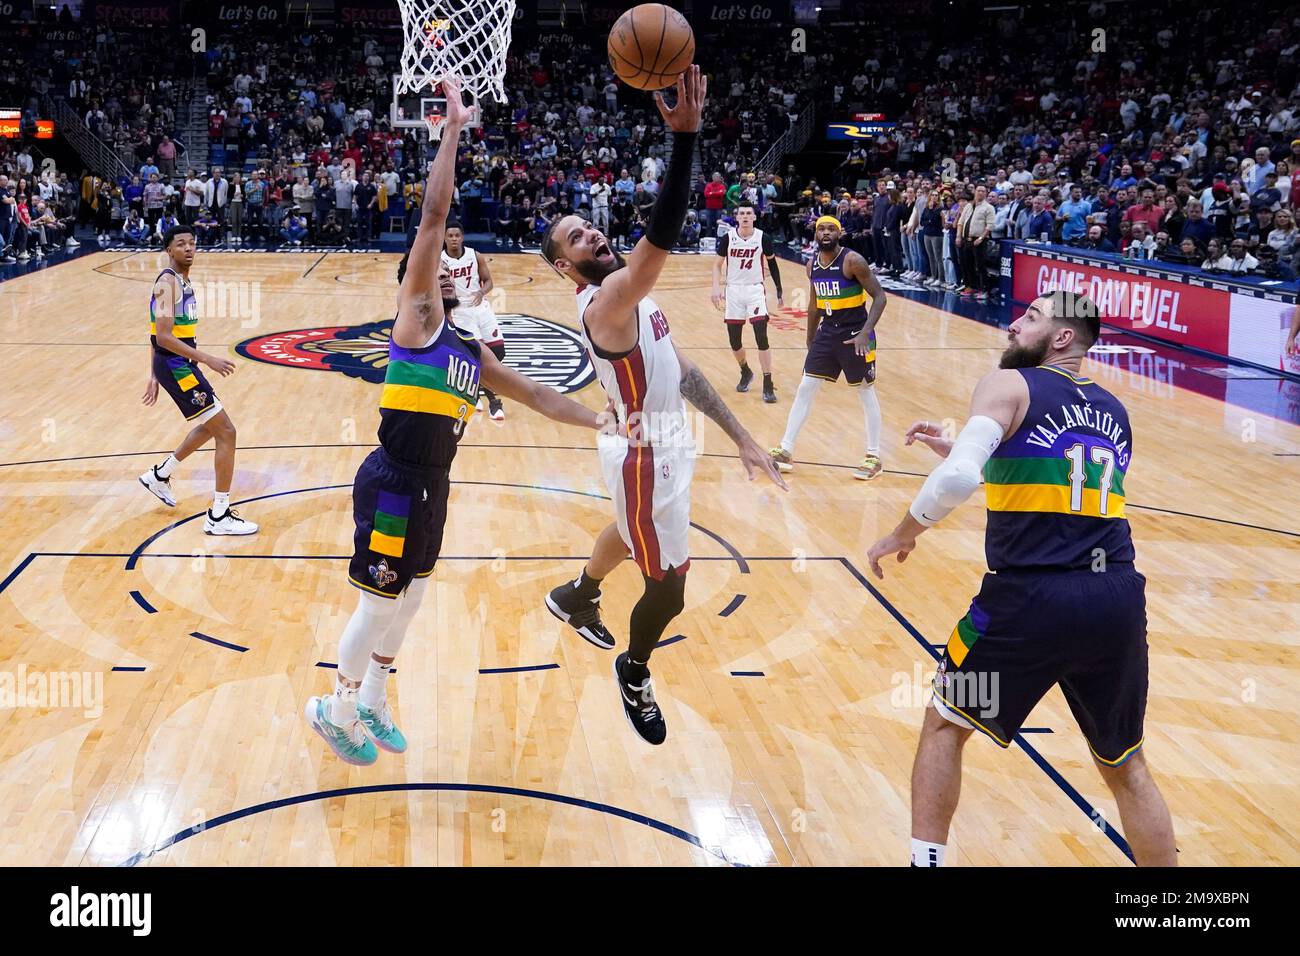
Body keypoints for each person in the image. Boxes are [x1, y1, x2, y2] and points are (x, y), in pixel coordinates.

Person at [305, 81, 610, 766]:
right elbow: (435, 215)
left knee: (410, 599)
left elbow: (537, 394)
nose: (443, 272)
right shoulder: (415, 322)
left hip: (431, 484)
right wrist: (452, 130)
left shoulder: (470, 350)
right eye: (432, 270)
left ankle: (376, 698)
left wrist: (603, 420)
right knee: (378, 605)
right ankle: (336, 704)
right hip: (391, 479)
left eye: (449, 273)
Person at [866, 291, 1176, 868]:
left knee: (943, 724)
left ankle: (924, 864)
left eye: (1030, 317)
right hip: (1116, 600)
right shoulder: (1114, 410)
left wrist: (903, 532)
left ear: (1061, 337)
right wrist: (975, 454)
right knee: (1125, 764)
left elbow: (955, 481)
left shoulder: (1007, 385)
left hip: (1030, 601)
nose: (1013, 324)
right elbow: (1059, 493)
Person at [539, 67, 785, 745]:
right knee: (669, 586)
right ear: (565, 268)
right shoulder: (610, 300)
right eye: (576, 240)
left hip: (659, 444)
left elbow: (685, 372)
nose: (590, 236)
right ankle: (635, 668)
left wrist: (740, 436)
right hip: (647, 456)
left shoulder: (635, 300)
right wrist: (684, 140)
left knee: (627, 530)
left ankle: (577, 593)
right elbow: (665, 234)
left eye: (589, 228)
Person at [138, 225, 258, 535]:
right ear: (169, 250)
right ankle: (219, 515)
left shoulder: (181, 280)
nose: (189, 248)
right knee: (226, 431)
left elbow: (156, 332)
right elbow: (162, 337)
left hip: (178, 363)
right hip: (178, 365)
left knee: (211, 426)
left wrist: (154, 373)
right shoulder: (167, 283)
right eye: (181, 244)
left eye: (192, 243)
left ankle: (161, 474)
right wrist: (208, 359)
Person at [770, 214, 889, 480]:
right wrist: (810, 338)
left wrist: (866, 333)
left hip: (857, 333)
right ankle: (786, 450)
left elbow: (880, 297)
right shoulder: (812, 265)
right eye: (821, 229)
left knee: (865, 392)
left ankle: (874, 456)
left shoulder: (852, 261)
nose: (825, 233)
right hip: (828, 333)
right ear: (815, 234)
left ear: (839, 233)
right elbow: (814, 304)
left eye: (830, 229)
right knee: (805, 388)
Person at [711, 201, 784, 403]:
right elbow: (717, 265)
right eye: (741, 213)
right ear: (737, 217)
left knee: (761, 335)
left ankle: (768, 383)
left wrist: (779, 289)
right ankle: (745, 371)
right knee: (735, 341)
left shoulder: (763, 238)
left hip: (755, 290)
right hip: (733, 290)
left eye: (748, 213)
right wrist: (716, 286)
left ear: (754, 217)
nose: (744, 216)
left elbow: (773, 264)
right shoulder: (728, 238)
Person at [441, 221, 507, 421]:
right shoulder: (440, 261)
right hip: (460, 312)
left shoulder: (475, 255)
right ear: (444, 238)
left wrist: (481, 291)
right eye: (450, 235)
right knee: (478, 355)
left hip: (481, 308)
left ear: (462, 237)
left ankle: (476, 388)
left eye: (456, 235)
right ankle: (495, 403)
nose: (453, 239)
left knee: (498, 352)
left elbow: (488, 281)